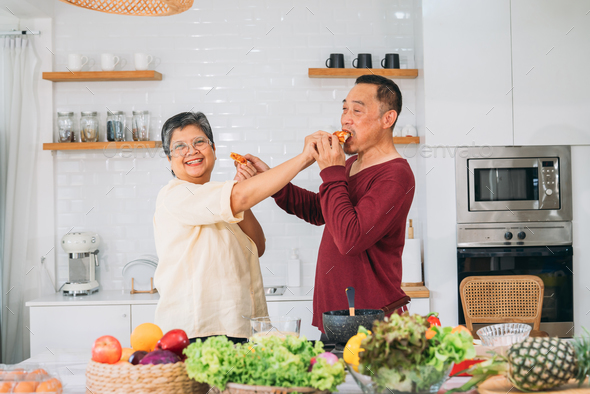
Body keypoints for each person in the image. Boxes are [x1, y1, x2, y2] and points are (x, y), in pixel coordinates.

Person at [244, 75, 415, 334]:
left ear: (387, 119)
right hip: (337, 316)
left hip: (373, 321)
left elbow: (351, 238)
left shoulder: (396, 175)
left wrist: (332, 171)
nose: (346, 118)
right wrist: (271, 180)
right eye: (345, 109)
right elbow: (319, 210)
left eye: (357, 110)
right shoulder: (350, 165)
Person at [153, 112, 315, 342]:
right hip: (197, 333)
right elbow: (239, 198)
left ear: (214, 149)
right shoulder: (176, 195)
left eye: (199, 142)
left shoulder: (219, 198)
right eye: (180, 147)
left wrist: (240, 192)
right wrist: (304, 158)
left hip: (238, 329)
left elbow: (258, 246)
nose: (191, 151)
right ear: (169, 159)